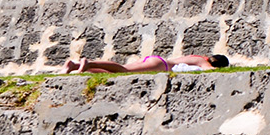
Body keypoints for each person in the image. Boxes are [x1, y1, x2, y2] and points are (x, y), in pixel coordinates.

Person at [63, 51, 230, 73]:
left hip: (157, 61)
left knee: (117, 72)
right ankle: (90, 63)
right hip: (161, 65)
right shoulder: (202, 61)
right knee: (123, 70)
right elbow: (209, 70)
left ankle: (76, 66)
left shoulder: (198, 56)